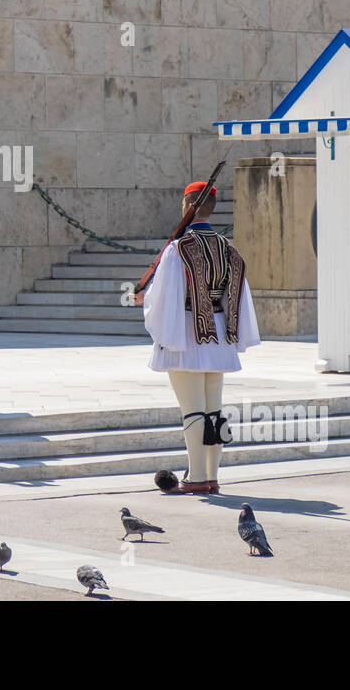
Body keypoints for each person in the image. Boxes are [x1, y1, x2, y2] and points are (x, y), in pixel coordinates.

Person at [142, 181, 260, 494]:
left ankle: (195, 477)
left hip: (186, 333)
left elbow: (165, 295)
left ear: (186, 206)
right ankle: (212, 476)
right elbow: (239, 296)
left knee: (193, 410)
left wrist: (147, 305)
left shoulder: (178, 249)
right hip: (219, 336)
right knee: (214, 411)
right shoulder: (227, 246)